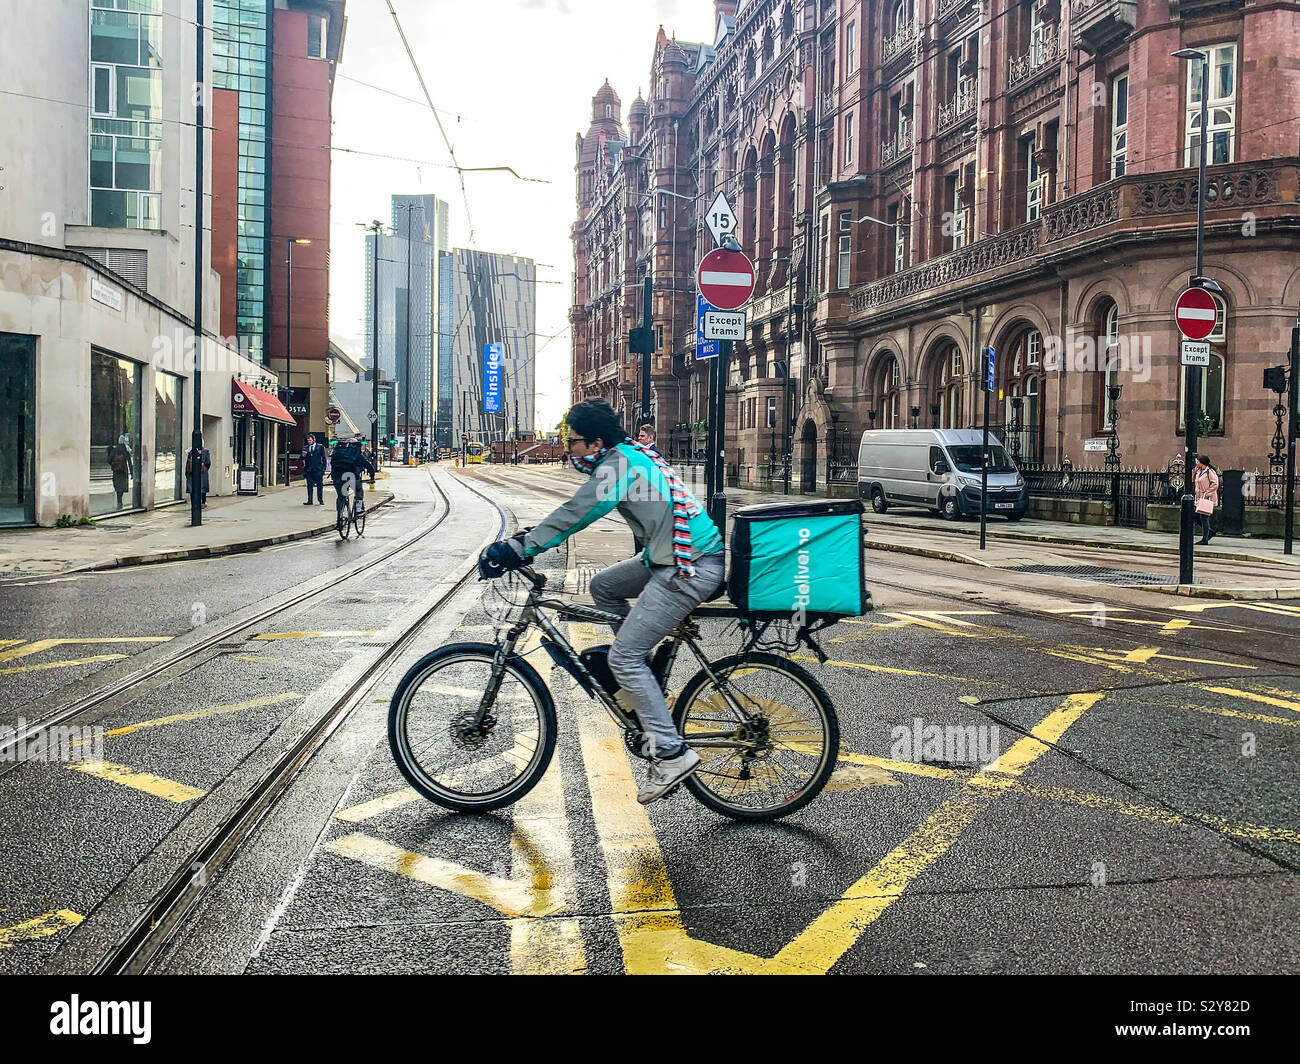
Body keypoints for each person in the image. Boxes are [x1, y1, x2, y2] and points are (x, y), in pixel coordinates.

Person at [482, 399, 725, 804]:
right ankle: (640, 680)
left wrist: (523, 548)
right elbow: (570, 513)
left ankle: (670, 753)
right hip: (671, 555)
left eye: (573, 442)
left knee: (622, 657)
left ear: (595, 442)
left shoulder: (619, 466)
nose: (568, 449)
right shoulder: (627, 455)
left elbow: (577, 513)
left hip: (689, 565)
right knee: (605, 588)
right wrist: (529, 538)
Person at [331, 436, 376, 519]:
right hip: (351, 476)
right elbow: (369, 466)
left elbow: (332, 463)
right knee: (358, 491)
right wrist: (372, 478)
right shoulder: (357, 453)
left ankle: (340, 516)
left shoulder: (338, 451)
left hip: (337, 476)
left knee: (341, 496)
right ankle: (359, 509)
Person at [1193, 453, 1219, 545]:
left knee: (1204, 518)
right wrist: (1194, 472)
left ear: (1202, 462)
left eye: (1198, 461)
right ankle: (1210, 532)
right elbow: (1194, 481)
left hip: (1207, 498)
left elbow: (1215, 484)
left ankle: (1205, 539)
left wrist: (1207, 493)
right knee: (1196, 517)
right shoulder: (1199, 471)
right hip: (1199, 498)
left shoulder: (1210, 472)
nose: (1196, 463)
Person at [108, 434, 133, 510]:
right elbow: (129, 463)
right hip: (123, 471)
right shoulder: (126, 451)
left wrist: (113, 465)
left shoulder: (114, 450)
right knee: (122, 487)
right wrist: (132, 473)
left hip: (116, 472)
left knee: (117, 486)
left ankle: (119, 501)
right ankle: (120, 501)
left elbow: (109, 460)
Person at [302, 434, 326, 505]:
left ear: (313, 440)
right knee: (309, 485)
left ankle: (320, 499)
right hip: (309, 470)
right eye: (308, 440)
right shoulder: (305, 447)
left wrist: (323, 469)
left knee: (319, 485)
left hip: (318, 469)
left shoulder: (320, 447)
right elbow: (302, 457)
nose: (309, 442)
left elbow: (324, 458)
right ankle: (310, 500)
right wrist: (303, 455)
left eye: (310, 440)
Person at [185, 444, 211, 508]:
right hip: (202, 472)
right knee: (202, 488)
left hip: (192, 473)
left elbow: (187, 464)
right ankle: (202, 502)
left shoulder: (191, 451)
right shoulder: (205, 452)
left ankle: (194, 503)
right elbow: (208, 462)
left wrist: (187, 474)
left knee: (192, 488)